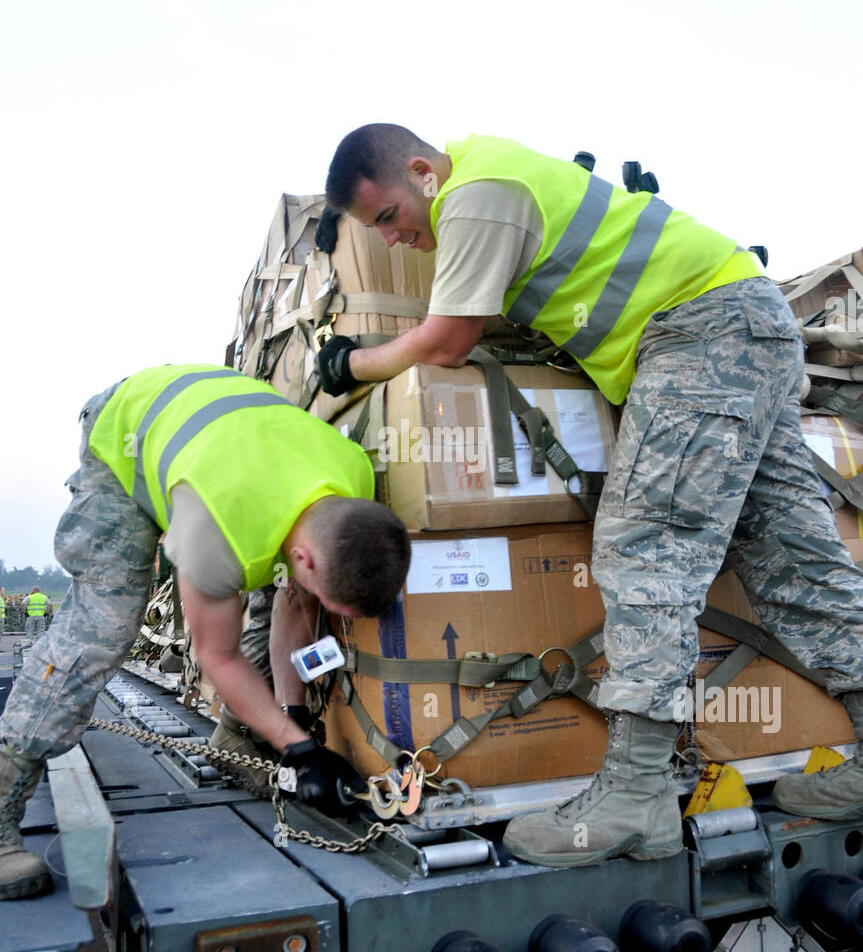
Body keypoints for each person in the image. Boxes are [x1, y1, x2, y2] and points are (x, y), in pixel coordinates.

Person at [318, 124, 863, 867]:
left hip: (701, 331)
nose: (398, 239)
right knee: (795, 561)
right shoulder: (491, 177)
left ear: (421, 171)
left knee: (644, 544)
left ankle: (636, 794)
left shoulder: (476, 195)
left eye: (388, 218)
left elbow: (445, 341)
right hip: (742, 325)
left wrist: (352, 363)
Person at [0, 362, 411, 900]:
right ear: (305, 557)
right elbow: (218, 658)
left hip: (224, 434)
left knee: (281, 599)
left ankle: (245, 733)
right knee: (103, 627)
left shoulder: (353, 476)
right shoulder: (212, 526)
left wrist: (293, 727)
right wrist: (303, 753)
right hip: (126, 434)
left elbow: (296, 600)